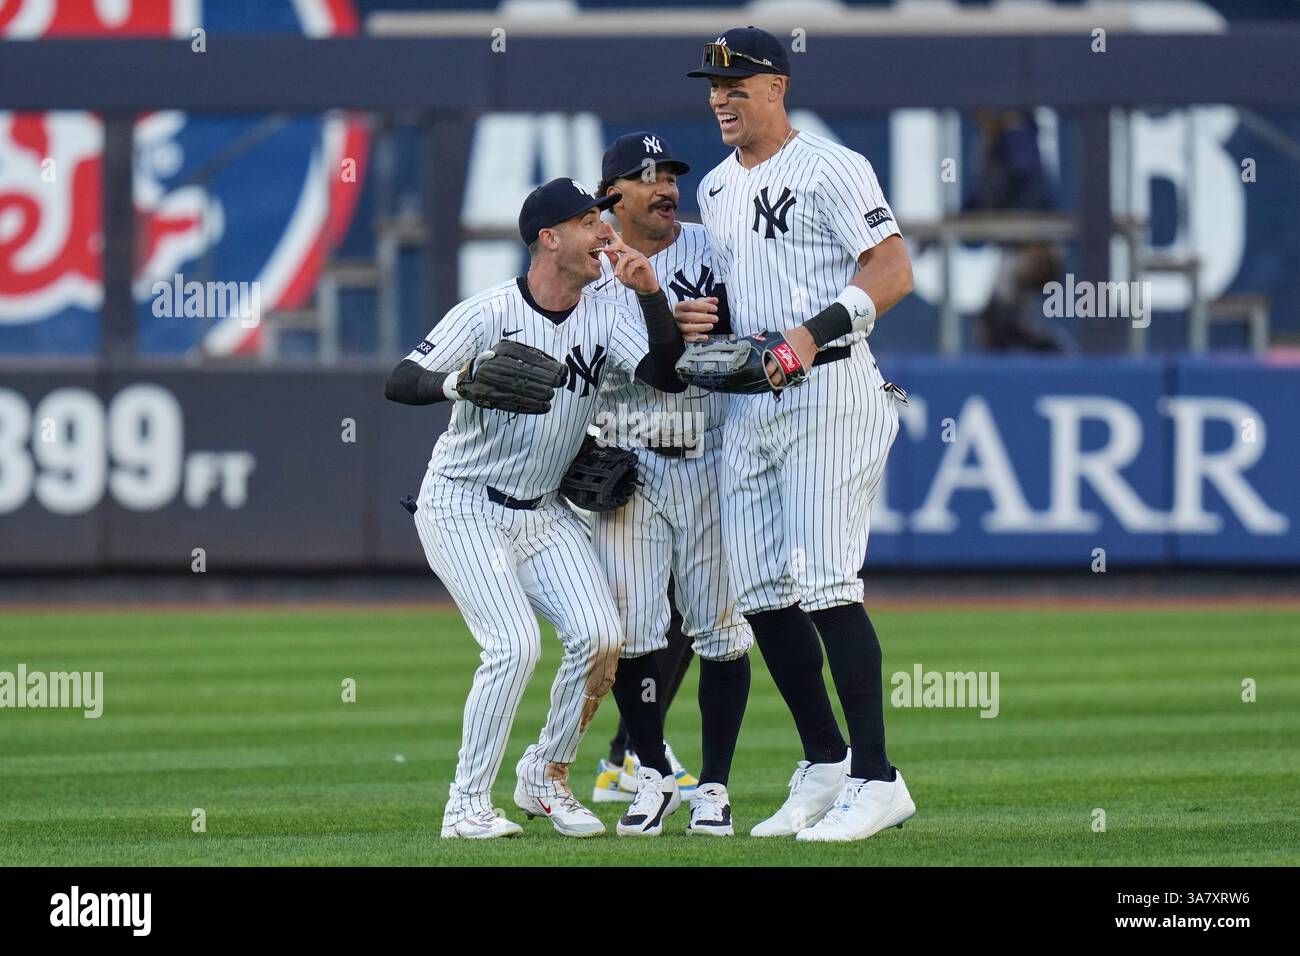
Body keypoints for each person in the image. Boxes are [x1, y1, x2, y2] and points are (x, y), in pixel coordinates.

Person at [384, 177, 686, 839]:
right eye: (588, 222)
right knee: (514, 645)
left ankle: (546, 773)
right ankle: (465, 806)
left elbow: (666, 374)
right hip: (463, 503)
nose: (605, 233)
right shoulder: (490, 311)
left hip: (544, 511)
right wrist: (456, 380)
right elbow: (401, 380)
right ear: (548, 238)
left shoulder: (606, 307)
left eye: (603, 220)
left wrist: (652, 296)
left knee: (601, 636)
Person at [677, 27, 917, 841]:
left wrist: (807, 336)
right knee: (759, 594)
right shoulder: (712, 187)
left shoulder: (832, 165)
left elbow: (892, 270)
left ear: (776, 86)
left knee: (825, 583)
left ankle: (879, 779)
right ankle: (825, 761)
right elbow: (738, 296)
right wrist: (704, 318)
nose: (719, 98)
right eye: (712, 86)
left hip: (829, 389)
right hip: (752, 399)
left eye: (735, 85)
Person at [587, 132, 754, 836]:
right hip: (630, 459)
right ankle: (649, 770)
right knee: (633, 633)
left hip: (710, 451)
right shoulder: (588, 264)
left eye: (671, 175)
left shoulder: (711, 246)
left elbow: (754, 330)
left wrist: (704, 339)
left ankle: (713, 786)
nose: (665, 187)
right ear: (611, 197)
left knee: (721, 629)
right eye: (646, 176)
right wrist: (666, 337)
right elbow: (585, 359)